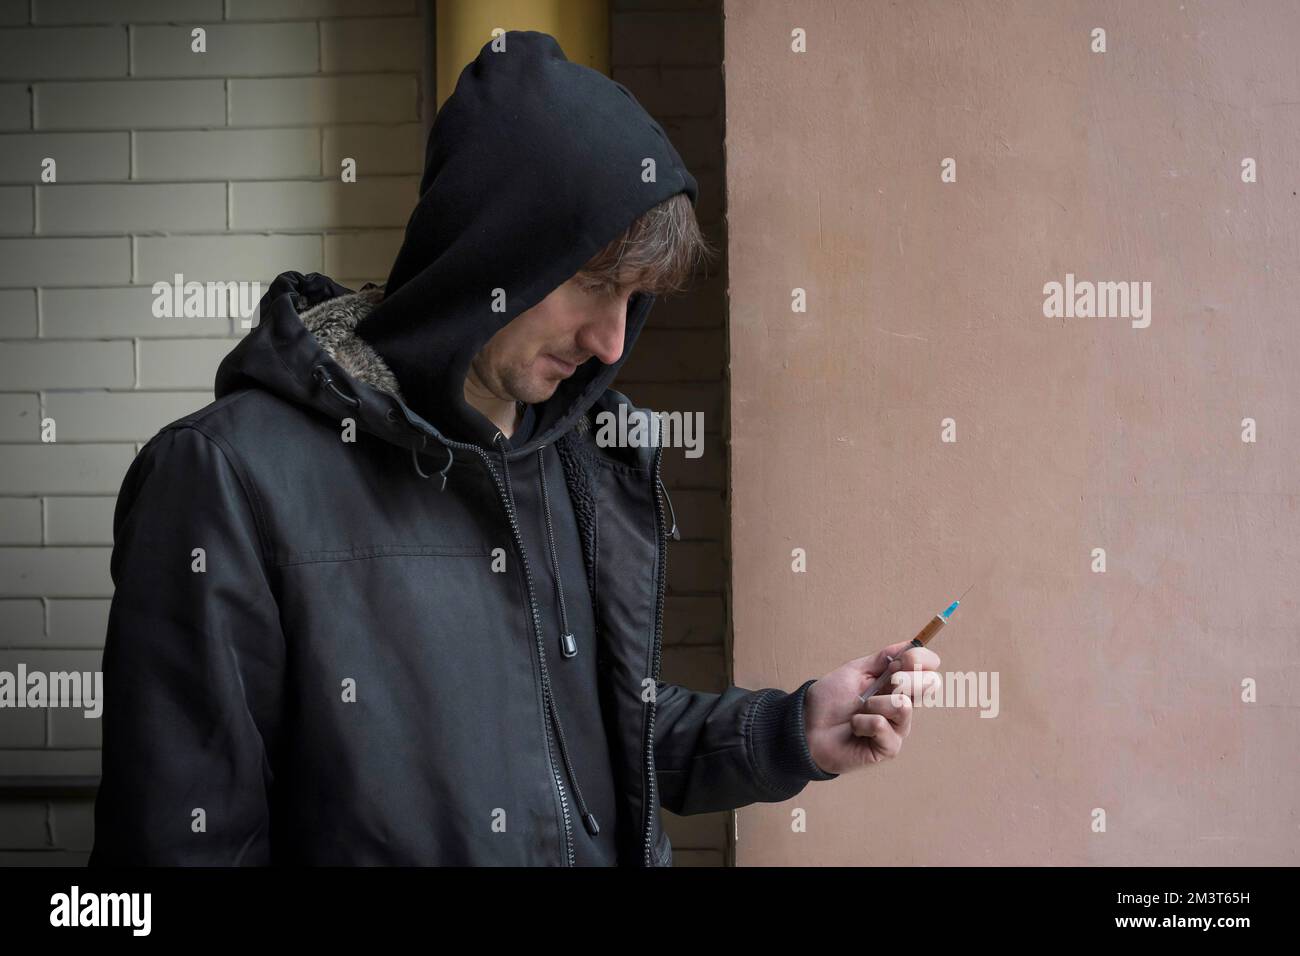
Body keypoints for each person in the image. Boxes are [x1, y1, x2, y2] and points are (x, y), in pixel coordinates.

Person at [89, 30, 939, 866]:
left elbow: (602, 743)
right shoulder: (226, 475)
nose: (611, 342)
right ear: (492, 244)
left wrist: (795, 729)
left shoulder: (575, 458)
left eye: (634, 300)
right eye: (594, 286)